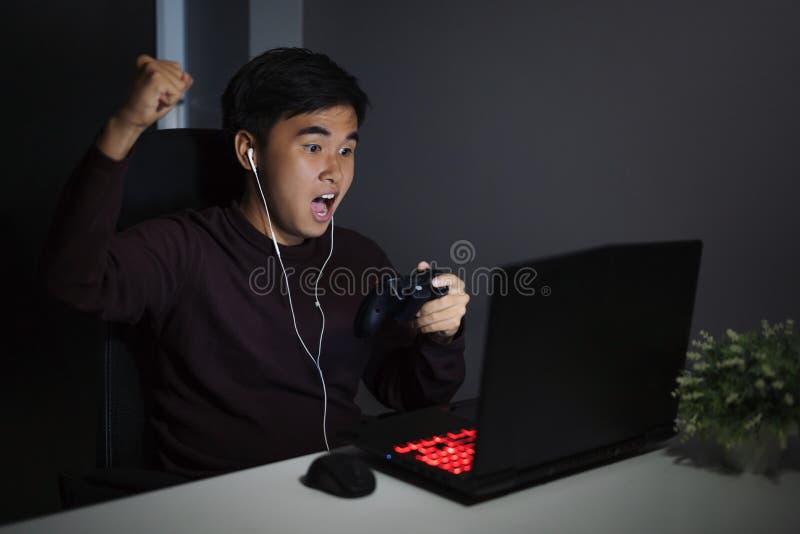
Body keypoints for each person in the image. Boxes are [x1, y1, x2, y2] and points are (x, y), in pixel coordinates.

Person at [42, 48, 470, 479]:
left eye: (346, 150)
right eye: (314, 146)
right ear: (249, 151)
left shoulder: (361, 258)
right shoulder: (184, 248)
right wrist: (125, 128)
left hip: (339, 482)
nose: (334, 172)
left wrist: (440, 338)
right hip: (220, 499)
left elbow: (409, 394)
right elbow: (76, 281)